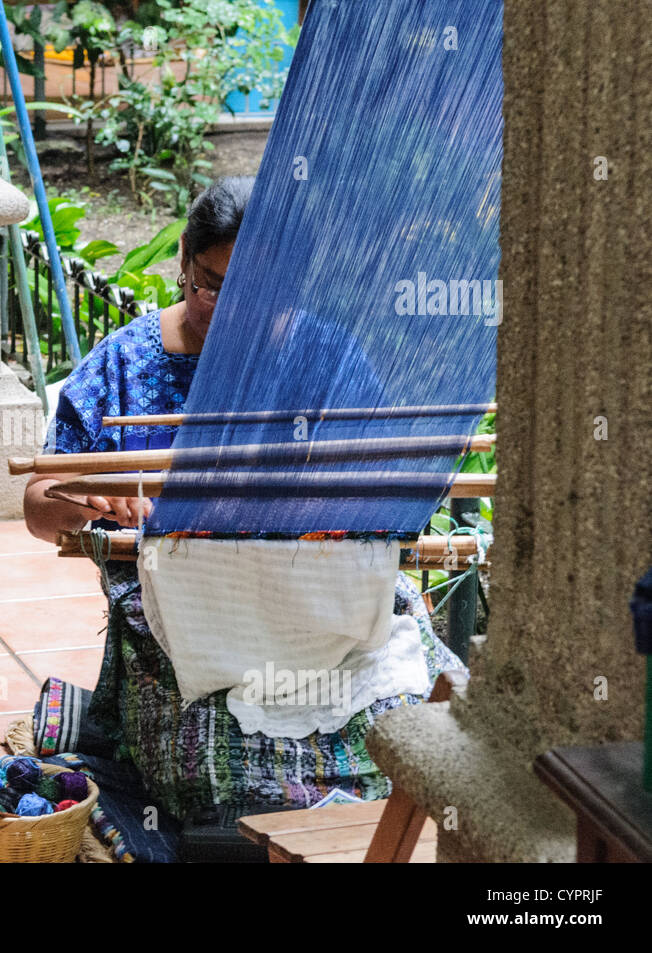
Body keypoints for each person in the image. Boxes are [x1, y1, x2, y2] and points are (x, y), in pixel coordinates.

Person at [23, 177, 465, 823]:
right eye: (212, 286)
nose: (231, 312)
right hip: (181, 623)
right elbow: (38, 504)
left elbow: (390, 490)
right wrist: (85, 496)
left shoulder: (329, 361)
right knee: (216, 764)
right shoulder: (124, 364)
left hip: (322, 608)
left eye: (261, 298)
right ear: (183, 261)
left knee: (411, 719)